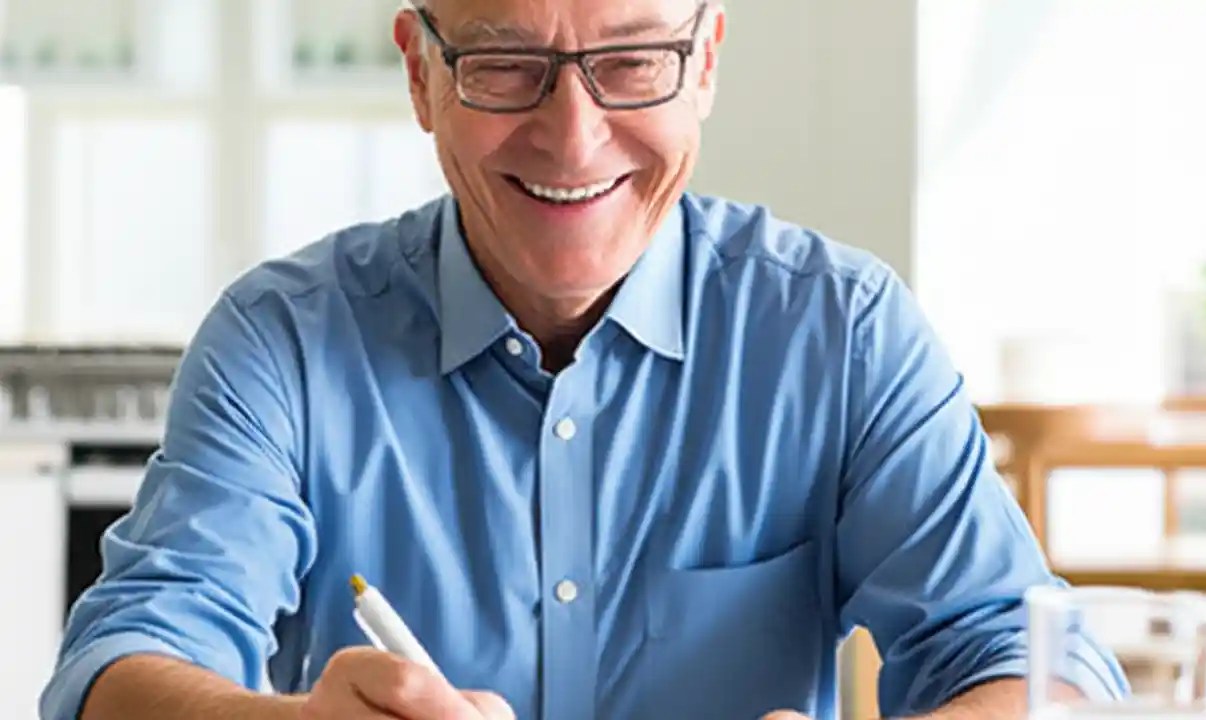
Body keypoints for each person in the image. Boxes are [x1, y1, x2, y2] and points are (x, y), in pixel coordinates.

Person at [41, 0, 1125, 718]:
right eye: (506, 65)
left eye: (631, 62)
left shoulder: (840, 334)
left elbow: (1040, 668)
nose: (571, 136)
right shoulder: (280, 343)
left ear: (702, 64)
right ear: (420, 74)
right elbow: (119, 666)